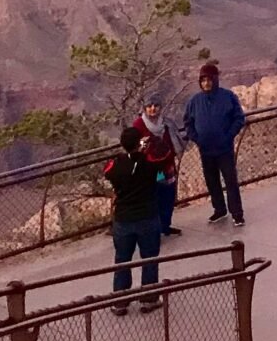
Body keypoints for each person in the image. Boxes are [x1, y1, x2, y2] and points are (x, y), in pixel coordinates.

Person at [104, 127, 163, 314]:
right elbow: (161, 178)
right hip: (147, 216)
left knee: (122, 259)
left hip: (123, 220)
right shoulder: (151, 165)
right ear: (139, 143)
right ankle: (149, 298)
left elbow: (107, 173)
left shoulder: (114, 166)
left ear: (122, 144)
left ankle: (120, 301)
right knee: (149, 258)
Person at [183, 61, 246, 227]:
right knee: (212, 182)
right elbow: (188, 123)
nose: (206, 83)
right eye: (203, 80)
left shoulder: (228, 97)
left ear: (215, 79)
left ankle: (237, 213)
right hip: (206, 150)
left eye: (209, 80)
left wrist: (229, 135)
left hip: (224, 149)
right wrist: (196, 138)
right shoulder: (194, 101)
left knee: (230, 181)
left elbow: (239, 118)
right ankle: (219, 210)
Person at [132, 96, 184, 237]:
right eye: (149, 106)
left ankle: (165, 225)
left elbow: (175, 140)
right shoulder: (139, 125)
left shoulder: (166, 123)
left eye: (156, 105)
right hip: (151, 169)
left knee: (168, 195)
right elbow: (137, 148)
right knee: (154, 197)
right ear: (144, 108)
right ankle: (154, 229)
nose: (152, 109)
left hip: (167, 166)